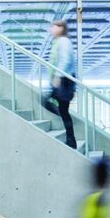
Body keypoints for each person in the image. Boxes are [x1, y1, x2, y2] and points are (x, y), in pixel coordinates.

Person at [41, 20, 77, 149]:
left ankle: (71, 140)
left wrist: (57, 76)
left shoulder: (64, 41)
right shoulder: (57, 42)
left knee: (48, 102)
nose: (51, 29)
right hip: (61, 79)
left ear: (61, 28)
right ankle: (71, 140)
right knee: (62, 110)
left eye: (54, 27)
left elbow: (65, 60)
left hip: (64, 80)